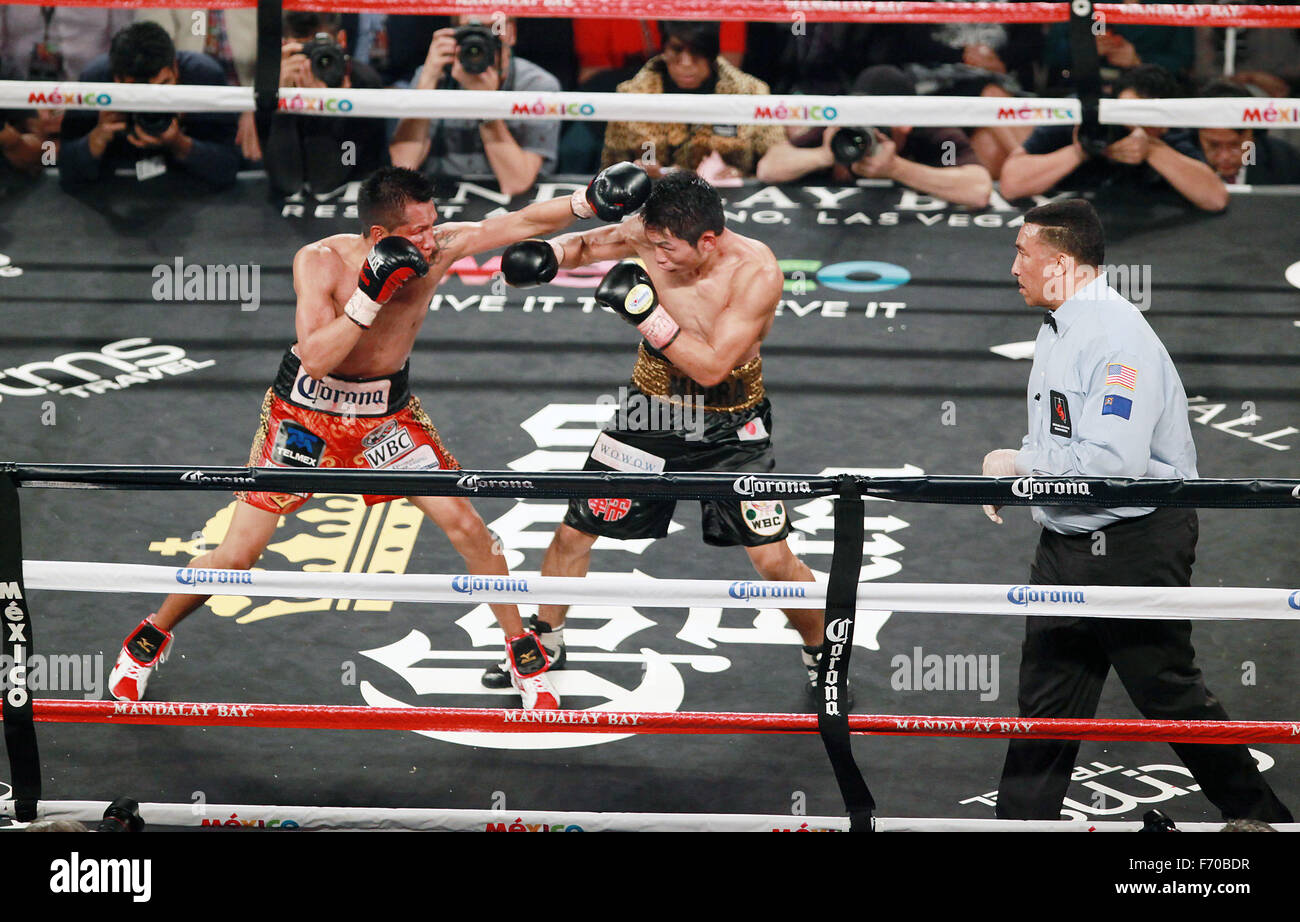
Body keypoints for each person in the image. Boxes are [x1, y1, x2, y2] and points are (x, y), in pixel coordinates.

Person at [107, 162, 652, 710]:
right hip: (304, 418)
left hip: (386, 419)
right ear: (377, 236)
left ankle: (521, 651)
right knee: (237, 556)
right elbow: (315, 359)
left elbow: (521, 221)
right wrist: (369, 293)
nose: (429, 238)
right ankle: (150, 638)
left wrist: (587, 202)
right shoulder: (319, 261)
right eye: (416, 230)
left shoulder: (438, 249)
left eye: (432, 224)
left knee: (470, 530)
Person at [982, 199, 1292, 823]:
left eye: (1023, 252)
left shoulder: (1116, 338)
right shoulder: (1062, 325)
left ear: (1061, 263)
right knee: (1047, 701)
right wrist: (1022, 460)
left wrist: (1023, 469)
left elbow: (1114, 464)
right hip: (1069, 540)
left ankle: (1265, 818)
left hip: (1133, 544)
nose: (1012, 266)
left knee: (1168, 691)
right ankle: (1019, 826)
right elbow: (1065, 440)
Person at [480, 172, 830, 703]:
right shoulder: (652, 232)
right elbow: (592, 243)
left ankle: (822, 650)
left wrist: (645, 313)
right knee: (577, 529)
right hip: (651, 413)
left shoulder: (756, 272)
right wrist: (550, 256)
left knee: (771, 559)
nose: (658, 259)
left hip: (731, 423)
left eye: (669, 249)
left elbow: (712, 367)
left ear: (708, 240)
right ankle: (546, 636)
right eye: (654, 245)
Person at [755, 65, 993, 208]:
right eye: (861, 115)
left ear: (905, 122)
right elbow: (768, 168)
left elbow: (979, 189)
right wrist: (823, 155)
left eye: (877, 119)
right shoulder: (840, 130)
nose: (866, 127)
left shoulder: (932, 132)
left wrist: (897, 169)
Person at [999, 64, 1227, 212]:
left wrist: (1153, 149)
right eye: (1127, 114)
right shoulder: (1082, 115)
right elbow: (1011, 184)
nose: (1131, 126)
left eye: (1144, 120)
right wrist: (1081, 150)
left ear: (1163, 124)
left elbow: (1215, 199)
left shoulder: (1170, 135)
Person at [389, 14, 559, 195]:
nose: (480, 37)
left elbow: (515, 183)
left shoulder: (537, 85)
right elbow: (403, 166)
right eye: (470, 29)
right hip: (442, 195)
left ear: (511, 33)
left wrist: (485, 106)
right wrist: (427, 83)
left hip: (508, 204)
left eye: (492, 27)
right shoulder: (432, 74)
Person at [57, 21, 239, 189]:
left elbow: (229, 168)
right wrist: (95, 140)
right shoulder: (95, 82)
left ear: (175, 68)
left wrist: (180, 143)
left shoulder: (202, 77)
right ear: (116, 79)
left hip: (190, 191)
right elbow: (64, 172)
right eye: (138, 95)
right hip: (112, 188)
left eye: (163, 86)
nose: (153, 104)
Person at [599, 21, 784, 181]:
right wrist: (636, 172)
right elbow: (609, 171)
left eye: (696, 52)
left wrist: (742, 177)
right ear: (664, 50)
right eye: (676, 50)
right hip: (653, 202)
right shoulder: (631, 96)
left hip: (730, 203)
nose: (686, 62)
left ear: (711, 54)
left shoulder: (751, 93)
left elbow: (776, 161)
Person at [263, 11, 388, 197]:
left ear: (342, 40)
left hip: (351, 195)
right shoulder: (270, 86)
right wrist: (283, 102)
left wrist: (328, 108)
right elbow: (285, 182)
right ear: (285, 46)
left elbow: (327, 181)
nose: (315, 61)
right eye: (304, 51)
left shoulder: (364, 84)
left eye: (322, 50)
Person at [1195, 80, 1300, 185]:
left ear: (1253, 134)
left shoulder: (1286, 162)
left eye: (1235, 145)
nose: (1225, 156)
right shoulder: (1182, 159)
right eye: (1214, 145)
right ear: (1197, 135)